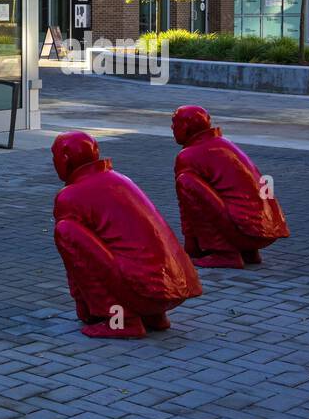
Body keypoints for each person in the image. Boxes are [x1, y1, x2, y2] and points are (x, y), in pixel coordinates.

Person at [52, 132, 201, 339]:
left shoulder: (70, 196)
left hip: (142, 290)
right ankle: (154, 317)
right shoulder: (120, 179)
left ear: (66, 159)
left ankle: (121, 320)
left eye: (55, 157)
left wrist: (85, 307)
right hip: (171, 288)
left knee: (65, 231)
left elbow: (78, 259)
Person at [172, 105, 289, 268]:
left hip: (244, 231)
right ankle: (249, 252)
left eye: (175, 123)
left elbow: (187, 205)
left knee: (186, 182)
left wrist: (191, 246)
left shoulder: (188, 155)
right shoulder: (223, 144)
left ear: (186, 127)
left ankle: (225, 253)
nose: (172, 128)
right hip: (264, 232)